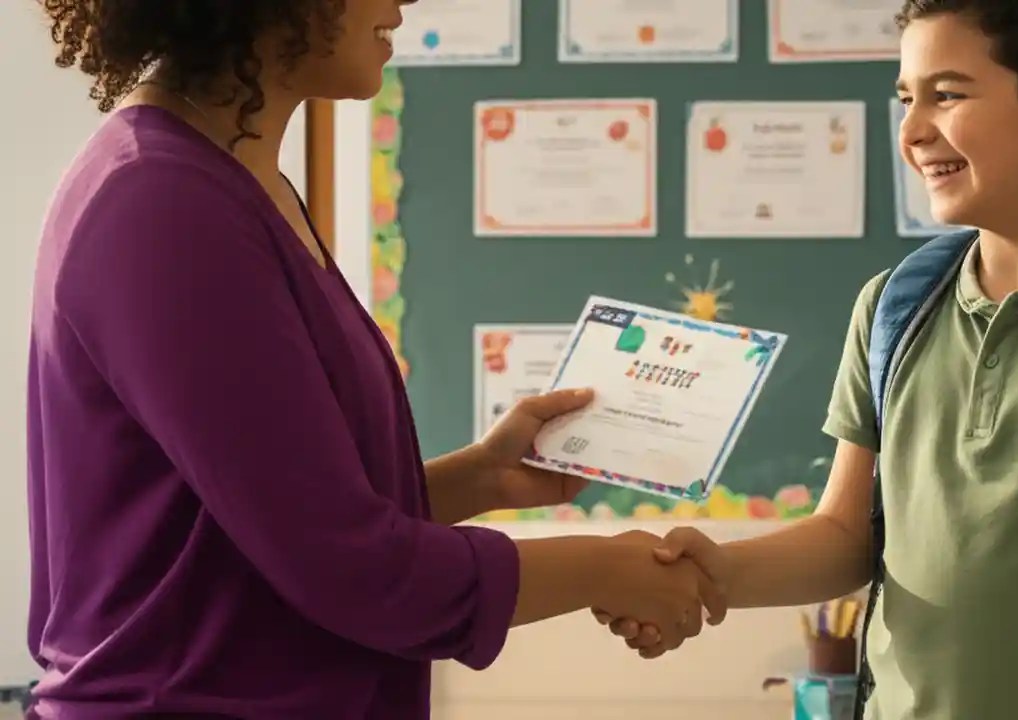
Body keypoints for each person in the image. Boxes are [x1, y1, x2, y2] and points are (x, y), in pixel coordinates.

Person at [27, 0, 725, 717]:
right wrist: (602, 568)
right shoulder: (165, 204)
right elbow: (345, 565)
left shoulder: (223, 179)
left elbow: (276, 517)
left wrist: (482, 475)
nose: (404, 1)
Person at [597, 1, 1018, 718]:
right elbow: (844, 537)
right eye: (905, 99)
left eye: (946, 94)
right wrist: (717, 570)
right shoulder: (891, 309)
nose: (913, 131)